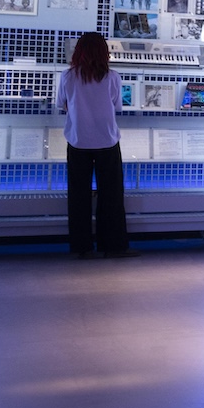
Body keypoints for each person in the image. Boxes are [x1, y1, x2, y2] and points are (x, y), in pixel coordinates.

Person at [56, 32, 132, 258]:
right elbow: (117, 106)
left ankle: (81, 247)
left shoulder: (68, 76)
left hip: (78, 141)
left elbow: (62, 104)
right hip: (107, 141)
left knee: (78, 196)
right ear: (104, 52)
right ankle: (113, 246)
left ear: (78, 52)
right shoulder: (112, 77)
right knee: (111, 196)